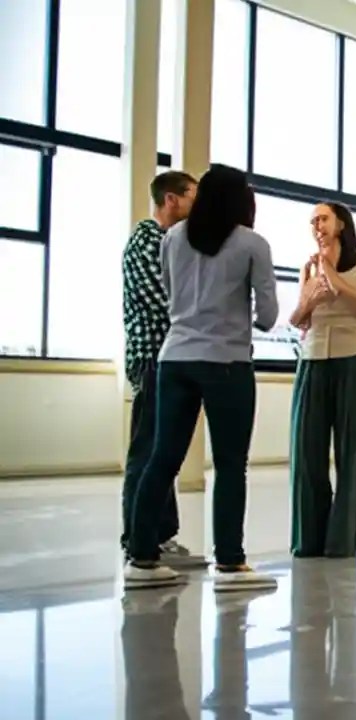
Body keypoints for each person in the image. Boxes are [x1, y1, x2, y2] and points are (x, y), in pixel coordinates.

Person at [123, 164, 279, 592]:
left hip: (174, 359)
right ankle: (230, 564)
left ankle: (141, 559)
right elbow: (267, 318)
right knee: (230, 465)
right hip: (227, 363)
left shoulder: (172, 238)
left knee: (161, 460)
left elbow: (173, 296)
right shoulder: (251, 243)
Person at [120, 170, 207, 569]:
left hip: (168, 358)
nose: (197, 204)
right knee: (148, 452)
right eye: (193, 196)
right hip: (153, 358)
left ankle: (160, 535)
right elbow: (170, 302)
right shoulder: (147, 241)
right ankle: (138, 539)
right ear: (171, 199)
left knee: (162, 451)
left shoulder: (170, 242)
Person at [288, 201, 356, 559]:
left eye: (323, 219)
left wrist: (335, 281)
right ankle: (307, 540)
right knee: (306, 453)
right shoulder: (307, 268)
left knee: (351, 452)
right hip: (313, 360)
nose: (317, 226)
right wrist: (310, 298)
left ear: (340, 224)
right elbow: (298, 320)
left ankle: (340, 543)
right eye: (312, 221)